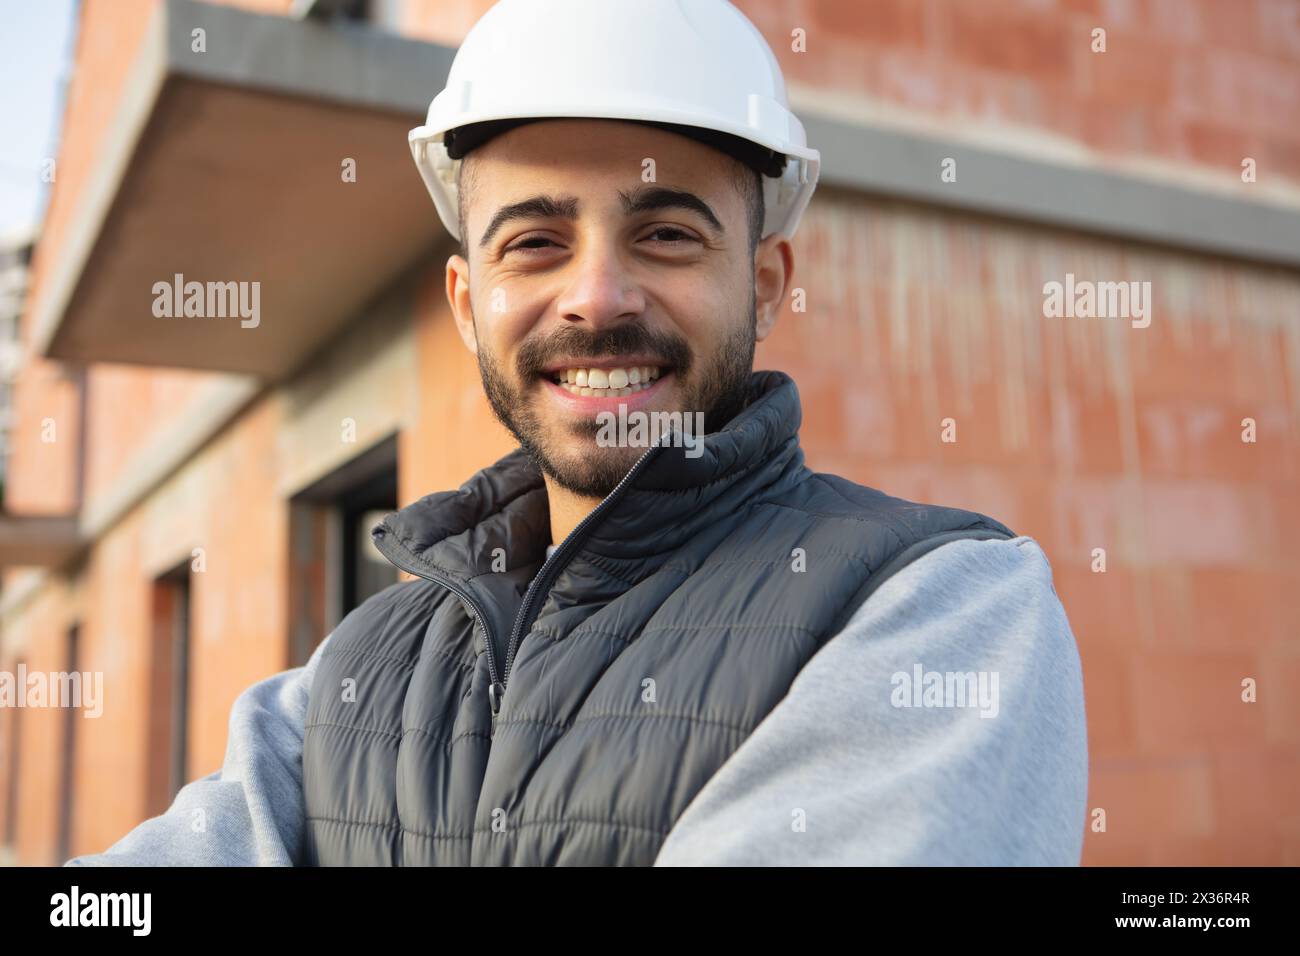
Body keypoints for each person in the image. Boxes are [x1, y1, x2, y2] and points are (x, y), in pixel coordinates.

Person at [67, 0, 1086, 867]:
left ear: (763, 284)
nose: (596, 296)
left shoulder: (941, 606)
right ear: (469, 304)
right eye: (535, 242)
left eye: (667, 233)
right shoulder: (356, 667)